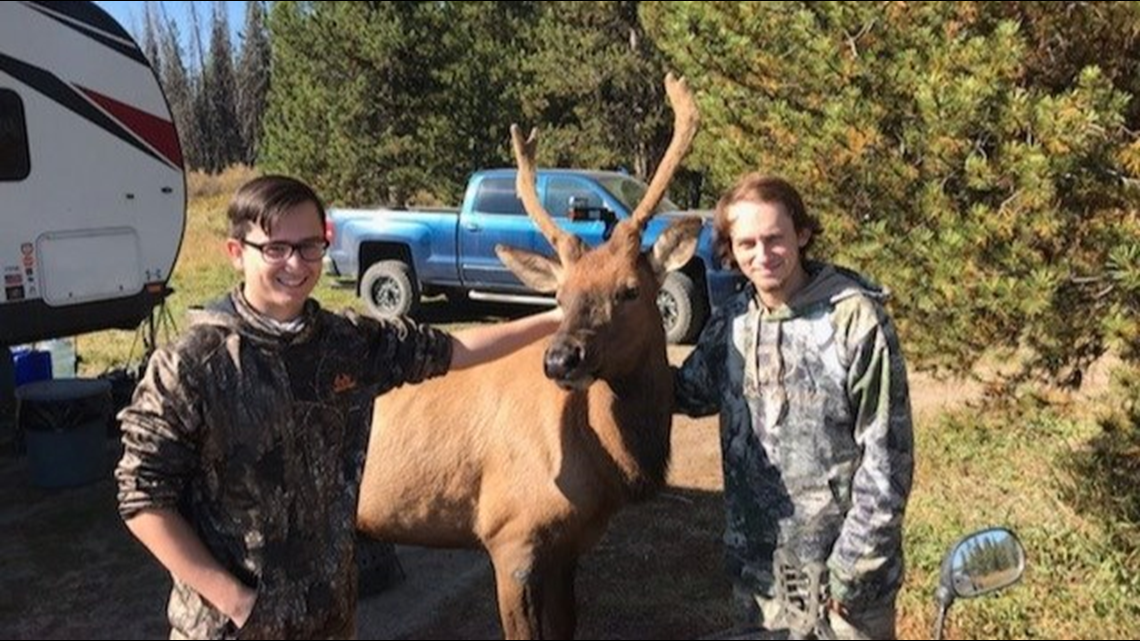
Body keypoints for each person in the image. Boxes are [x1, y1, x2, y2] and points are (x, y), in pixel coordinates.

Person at [114, 175, 562, 639]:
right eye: (275, 248)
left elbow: (453, 350)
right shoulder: (193, 363)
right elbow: (142, 498)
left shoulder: (345, 344)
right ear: (236, 252)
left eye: (311, 246)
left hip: (329, 619)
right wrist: (235, 601)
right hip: (229, 627)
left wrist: (555, 318)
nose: (296, 263)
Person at [673, 174, 914, 640]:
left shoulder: (853, 320)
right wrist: (606, 359)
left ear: (801, 234)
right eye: (746, 244)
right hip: (761, 579)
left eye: (774, 239)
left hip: (847, 587)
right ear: (729, 250)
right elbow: (689, 391)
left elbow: (888, 462)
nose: (762, 256)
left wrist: (851, 575)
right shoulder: (734, 321)